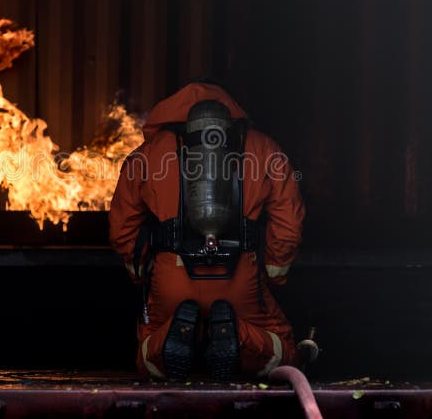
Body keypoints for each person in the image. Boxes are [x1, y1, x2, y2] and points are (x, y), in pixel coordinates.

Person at [109, 81, 305, 381]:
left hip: (172, 281)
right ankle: (234, 332)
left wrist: (141, 272)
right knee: (285, 350)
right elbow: (288, 221)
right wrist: (273, 272)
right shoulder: (265, 149)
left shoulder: (145, 155)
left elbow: (123, 229)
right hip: (241, 280)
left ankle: (180, 334)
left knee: (147, 357)